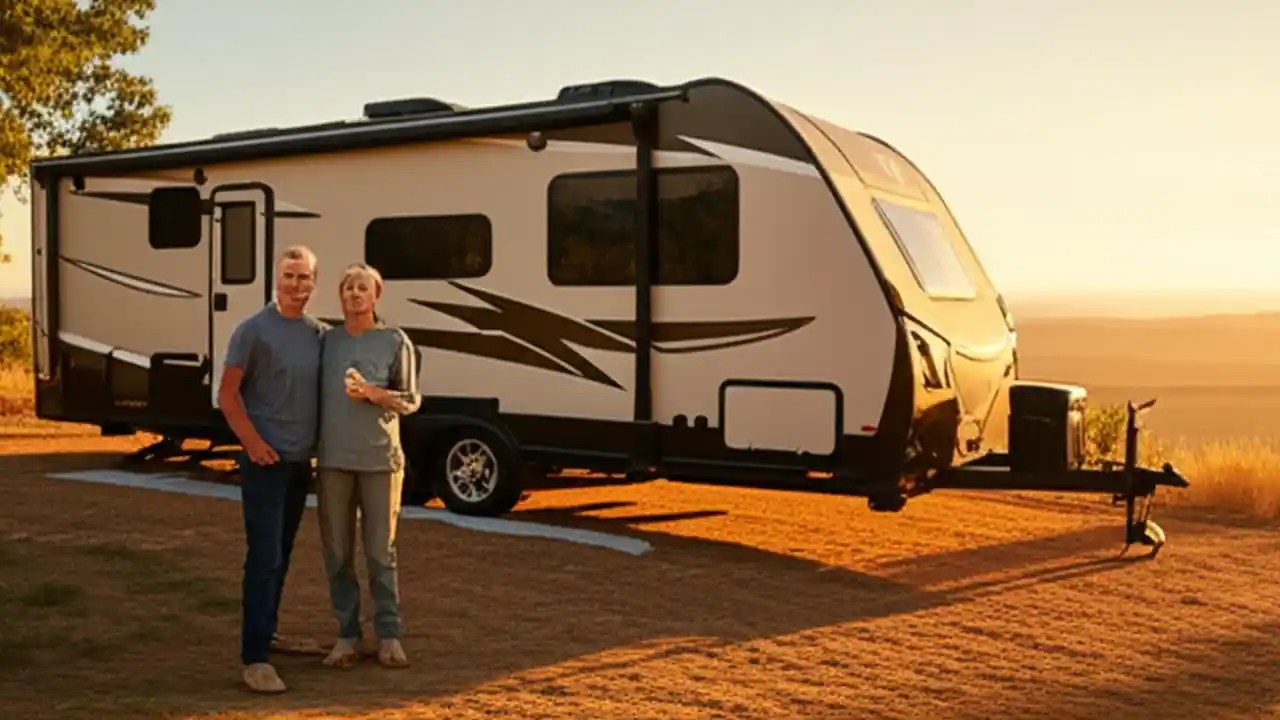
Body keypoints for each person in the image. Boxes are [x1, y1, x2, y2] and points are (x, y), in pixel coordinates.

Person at [218, 245, 327, 694]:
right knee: (263, 557)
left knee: (281, 553)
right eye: (289, 276)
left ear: (314, 284)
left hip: (301, 463)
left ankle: (270, 633)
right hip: (265, 463)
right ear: (275, 279)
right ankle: (255, 658)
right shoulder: (252, 331)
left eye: (304, 278)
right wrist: (253, 443)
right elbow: (227, 395)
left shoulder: (319, 334)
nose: (296, 285)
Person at [315, 262, 421, 669]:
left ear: (376, 296)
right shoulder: (328, 341)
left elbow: (411, 400)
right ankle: (347, 635)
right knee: (337, 551)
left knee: (380, 551)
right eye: (348, 289)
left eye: (363, 288)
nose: (355, 295)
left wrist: (373, 393)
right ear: (340, 297)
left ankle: (389, 635)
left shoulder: (395, 341)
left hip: (380, 460)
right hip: (333, 461)